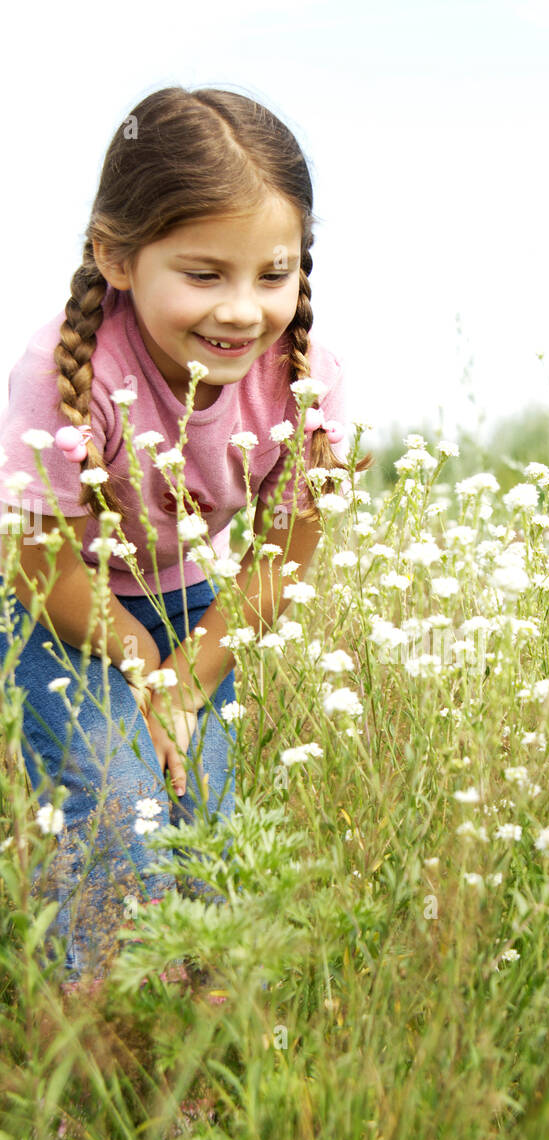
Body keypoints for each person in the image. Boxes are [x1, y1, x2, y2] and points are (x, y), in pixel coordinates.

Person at [0, 86, 371, 983]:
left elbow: (281, 559)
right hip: (61, 609)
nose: (242, 310)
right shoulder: (66, 369)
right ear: (116, 257)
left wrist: (182, 681)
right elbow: (36, 561)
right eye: (204, 275)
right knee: (117, 800)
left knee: (201, 813)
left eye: (272, 274)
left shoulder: (308, 379)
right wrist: (136, 665)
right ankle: (97, 1030)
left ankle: (198, 1041)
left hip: (194, 610)